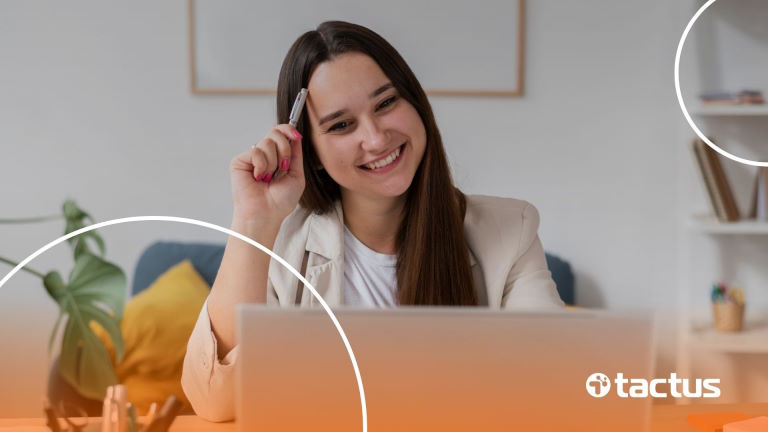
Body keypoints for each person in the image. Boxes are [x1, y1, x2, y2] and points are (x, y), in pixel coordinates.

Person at [181, 20, 564, 422]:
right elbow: (215, 401)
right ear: (310, 152)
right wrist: (253, 220)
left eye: (386, 103)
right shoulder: (279, 248)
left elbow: (556, 380)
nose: (377, 139)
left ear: (416, 104)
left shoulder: (510, 230)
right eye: (342, 125)